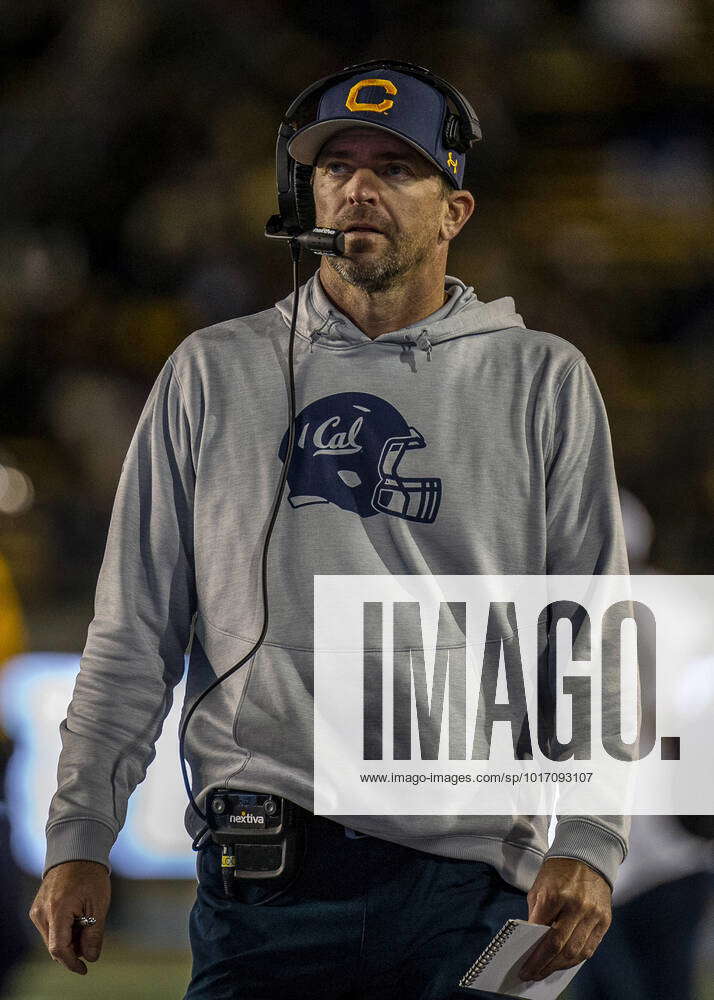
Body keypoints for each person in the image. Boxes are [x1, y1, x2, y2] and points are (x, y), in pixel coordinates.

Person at [29, 63, 632, 1000]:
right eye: (335, 165)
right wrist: (79, 835)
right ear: (300, 194)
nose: (357, 186)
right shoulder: (210, 375)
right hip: (258, 877)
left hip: (465, 881)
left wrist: (593, 837)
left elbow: (588, 633)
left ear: (454, 212)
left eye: (395, 168)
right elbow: (132, 633)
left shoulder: (542, 381)